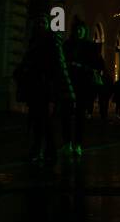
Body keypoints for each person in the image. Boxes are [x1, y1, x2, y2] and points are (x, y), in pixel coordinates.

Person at [15, 15, 74, 163]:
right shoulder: (34, 41)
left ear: (47, 25)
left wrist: (65, 89)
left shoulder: (52, 41)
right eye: (39, 22)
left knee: (44, 121)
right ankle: (45, 151)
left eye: (44, 22)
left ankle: (44, 151)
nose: (41, 25)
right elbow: (28, 61)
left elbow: (59, 65)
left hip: (47, 87)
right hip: (35, 86)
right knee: (38, 120)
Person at [62, 19, 104, 157]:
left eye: (82, 29)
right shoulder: (67, 45)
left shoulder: (90, 47)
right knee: (66, 115)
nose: (79, 31)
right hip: (69, 83)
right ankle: (67, 143)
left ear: (85, 31)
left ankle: (78, 144)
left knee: (80, 116)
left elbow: (98, 65)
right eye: (77, 29)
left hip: (83, 85)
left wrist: (81, 67)